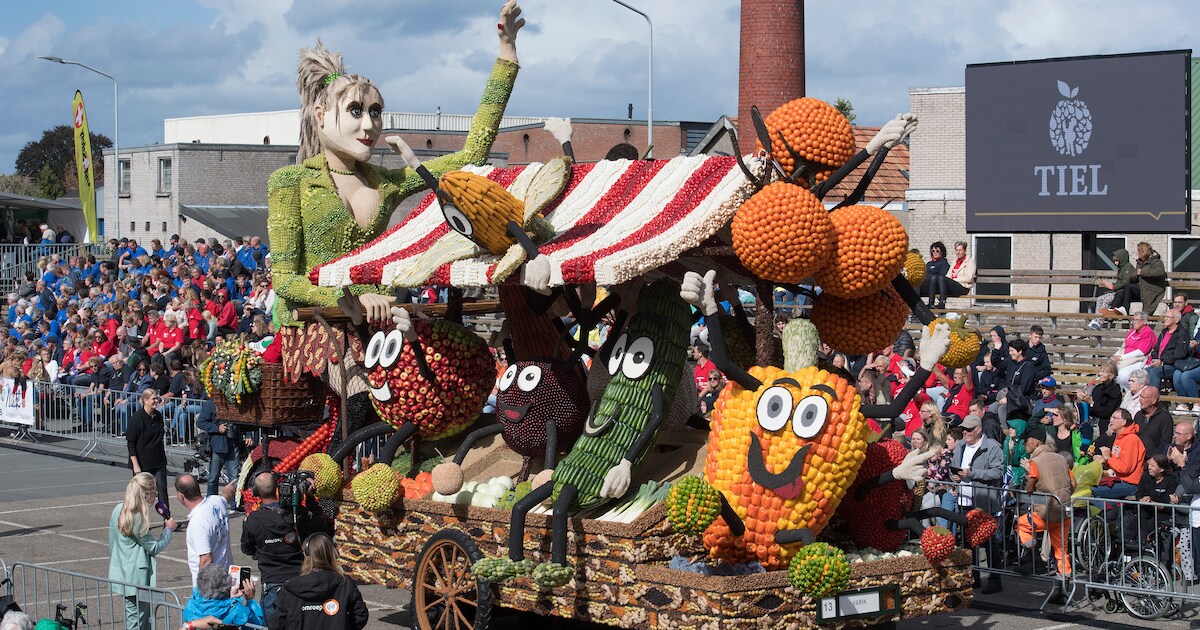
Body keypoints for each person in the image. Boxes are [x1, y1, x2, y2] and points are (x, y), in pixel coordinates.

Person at [268, 1, 524, 328]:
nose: (369, 126)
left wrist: (506, 57)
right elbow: (286, 280)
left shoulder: (386, 182)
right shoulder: (291, 181)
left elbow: (471, 155)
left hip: (380, 327)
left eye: (375, 112)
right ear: (320, 116)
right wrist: (346, 299)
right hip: (314, 332)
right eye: (356, 111)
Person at [241, 471, 333, 622]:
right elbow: (321, 529)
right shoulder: (297, 514)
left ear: (256, 492)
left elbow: (247, 549)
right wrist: (310, 499)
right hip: (300, 582)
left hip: (272, 584)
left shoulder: (252, 520)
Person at [109, 472, 178, 630]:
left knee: (140, 619)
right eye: (154, 491)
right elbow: (154, 548)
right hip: (137, 578)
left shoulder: (118, 509)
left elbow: (112, 544)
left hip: (123, 573)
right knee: (137, 622)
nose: (156, 495)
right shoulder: (137, 517)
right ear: (146, 493)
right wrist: (168, 530)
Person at [951, 414, 1005, 593]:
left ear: (978, 430)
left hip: (984, 501)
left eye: (969, 430)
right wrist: (954, 477)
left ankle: (995, 579)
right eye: (963, 429)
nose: (965, 432)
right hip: (964, 499)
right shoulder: (960, 446)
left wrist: (972, 473)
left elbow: (996, 472)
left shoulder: (992, 447)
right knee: (968, 542)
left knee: (989, 541)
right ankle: (973, 577)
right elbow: (954, 466)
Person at [1016, 425, 1074, 590]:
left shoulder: (1035, 462)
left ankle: (1032, 552)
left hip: (1045, 514)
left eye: (1026, 441)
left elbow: (1029, 487)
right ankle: (1064, 587)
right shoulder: (1061, 458)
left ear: (1035, 442)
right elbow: (1073, 483)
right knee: (1062, 552)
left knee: (1021, 525)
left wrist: (1030, 483)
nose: (1024, 445)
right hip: (1064, 512)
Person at [270, 532, 368, 629]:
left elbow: (276, 624)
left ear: (306, 555)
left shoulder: (290, 588)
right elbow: (360, 617)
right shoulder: (345, 584)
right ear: (333, 554)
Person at [176, 473, 235, 588]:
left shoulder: (198, 523)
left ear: (181, 496)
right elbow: (226, 496)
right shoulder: (215, 502)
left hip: (211, 587)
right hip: (225, 577)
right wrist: (230, 488)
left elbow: (206, 560)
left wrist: (203, 590)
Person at [182, 564, 265, 627]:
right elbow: (258, 623)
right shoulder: (236, 610)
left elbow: (213, 605)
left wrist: (230, 599)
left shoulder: (191, 605)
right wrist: (251, 600)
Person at [125, 389, 169, 506]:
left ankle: (167, 518)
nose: (156, 401)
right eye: (153, 399)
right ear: (145, 401)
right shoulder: (137, 419)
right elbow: (131, 443)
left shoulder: (158, 416)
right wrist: (135, 465)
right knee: (141, 493)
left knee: (162, 489)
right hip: (142, 462)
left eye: (156, 398)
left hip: (158, 460)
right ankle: (140, 520)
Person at [1091, 408, 1145, 499]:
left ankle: (1112, 510)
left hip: (1130, 483)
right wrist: (1104, 461)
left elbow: (1125, 468)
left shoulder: (1131, 440)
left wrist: (1108, 458)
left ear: (1123, 422)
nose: (1111, 420)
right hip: (1117, 479)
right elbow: (1116, 462)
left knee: (1091, 492)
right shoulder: (1119, 437)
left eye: (1115, 418)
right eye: (1111, 417)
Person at [194, 390, 239, 497]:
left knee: (234, 478)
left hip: (233, 443)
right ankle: (211, 502)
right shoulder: (210, 404)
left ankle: (234, 505)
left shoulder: (236, 402)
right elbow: (201, 422)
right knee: (213, 477)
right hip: (219, 444)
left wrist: (248, 436)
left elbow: (245, 421)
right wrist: (217, 428)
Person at [1145, 308, 1189, 390]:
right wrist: (1155, 358)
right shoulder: (1164, 332)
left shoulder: (1182, 333)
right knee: (1142, 373)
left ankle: (1152, 397)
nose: (1165, 319)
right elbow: (1156, 348)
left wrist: (1162, 360)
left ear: (1176, 320)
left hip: (1173, 365)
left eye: (1168, 317)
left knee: (1154, 372)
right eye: (1165, 316)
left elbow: (1180, 354)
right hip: (1159, 363)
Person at [1075, 361, 1122, 438]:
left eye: (1104, 372)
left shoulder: (1114, 391)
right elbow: (1092, 408)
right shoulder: (1097, 389)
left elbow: (1106, 413)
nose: (1100, 374)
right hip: (1093, 423)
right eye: (1100, 371)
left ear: (1111, 375)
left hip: (1106, 425)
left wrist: (1091, 402)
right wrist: (1084, 399)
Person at [1113, 312, 1155, 389]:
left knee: (1123, 374)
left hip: (1141, 361)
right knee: (1109, 369)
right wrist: (1115, 356)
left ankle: (1133, 394)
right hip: (1127, 360)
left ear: (1144, 321)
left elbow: (1141, 352)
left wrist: (1121, 358)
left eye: (1137, 320)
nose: (1134, 322)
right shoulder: (1132, 332)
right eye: (1133, 320)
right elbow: (1124, 347)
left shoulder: (1148, 332)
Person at [1133, 387, 1173, 457]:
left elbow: (1165, 443)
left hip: (1154, 461)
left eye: (1143, 397)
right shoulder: (1138, 415)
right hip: (1137, 457)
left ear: (1153, 400)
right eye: (1140, 396)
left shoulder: (1165, 418)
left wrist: (1154, 459)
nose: (1140, 400)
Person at [1098, 248, 1138, 317]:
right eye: (1114, 261)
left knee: (1106, 300)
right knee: (1100, 299)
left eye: (1117, 260)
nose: (1115, 263)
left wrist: (1113, 286)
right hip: (1118, 291)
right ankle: (1097, 318)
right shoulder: (1122, 268)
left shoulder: (1128, 267)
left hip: (1122, 292)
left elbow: (1125, 281)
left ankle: (1102, 319)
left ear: (1122, 259)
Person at [919, 241, 950, 309]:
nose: (935, 252)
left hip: (937, 287)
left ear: (942, 252)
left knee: (934, 277)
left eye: (937, 251)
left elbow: (942, 277)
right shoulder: (929, 264)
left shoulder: (944, 264)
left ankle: (931, 302)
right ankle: (917, 306)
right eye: (933, 251)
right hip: (926, 286)